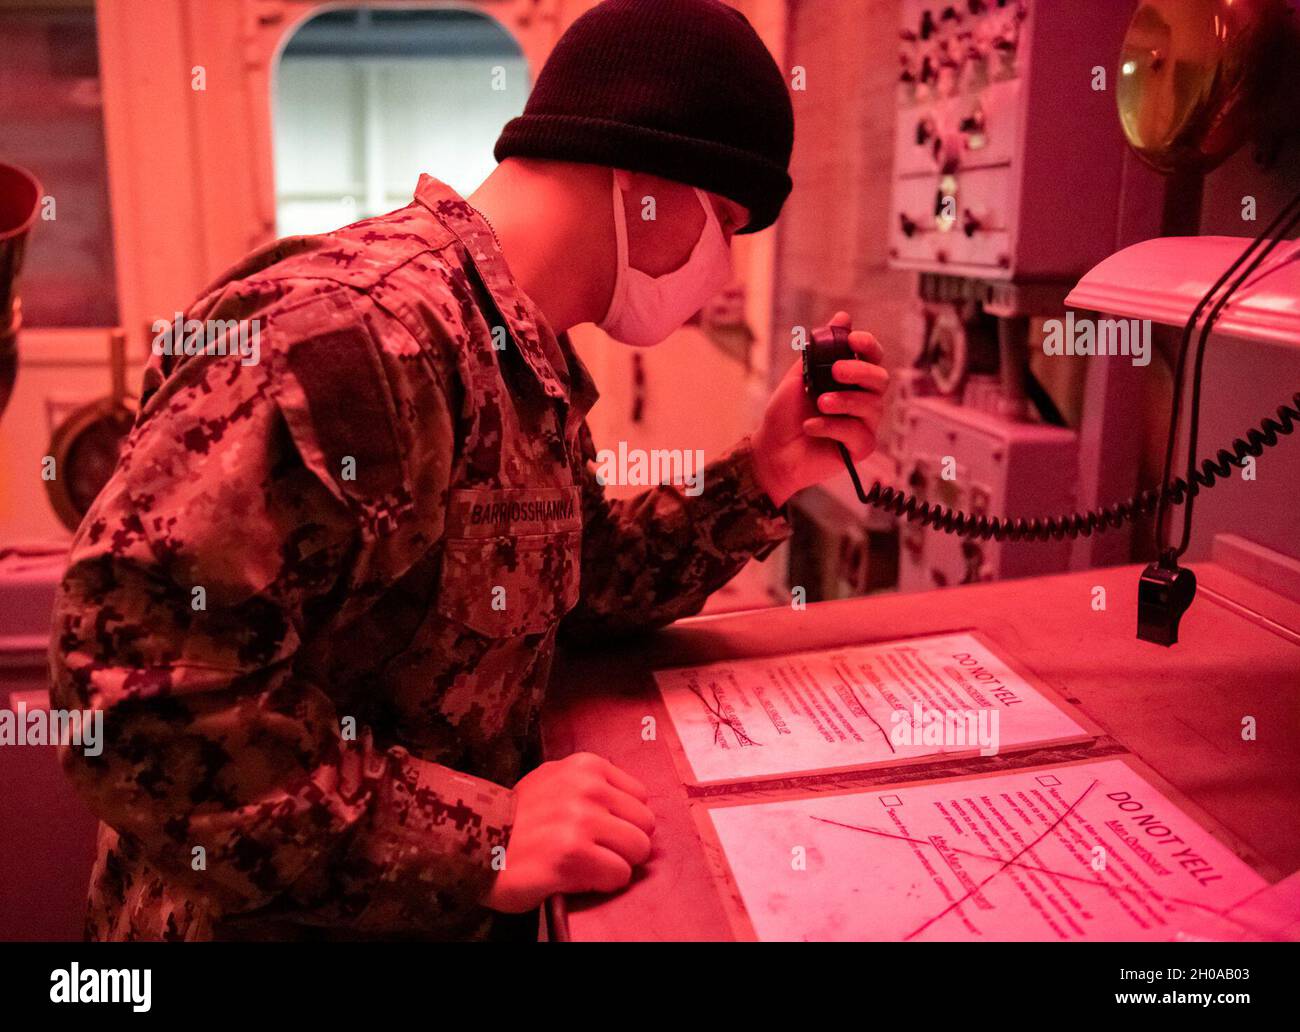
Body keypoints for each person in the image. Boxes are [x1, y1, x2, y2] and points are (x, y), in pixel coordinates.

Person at [49, 0, 887, 941]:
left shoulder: (514, 349)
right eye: (726, 223)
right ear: (651, 176)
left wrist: (764, 474)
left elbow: (577, 586)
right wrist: (477, 840)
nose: (724, 276)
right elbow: (130, 692)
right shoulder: (353, 335)